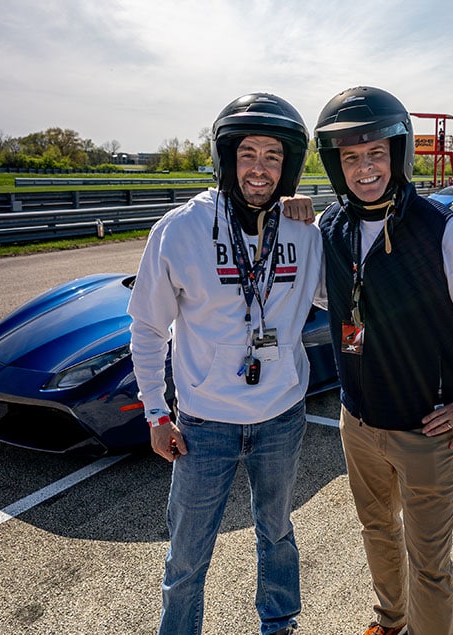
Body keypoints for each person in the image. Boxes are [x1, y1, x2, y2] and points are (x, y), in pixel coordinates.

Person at [314, 86, 453, 635]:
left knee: (429, 564)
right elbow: (320, 298)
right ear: (336, 164)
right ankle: (390, 619)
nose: (364, 169)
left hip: (425, 430)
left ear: (397, 155)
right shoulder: (330, 230)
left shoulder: (441, 231)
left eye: (375, 153)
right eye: (350, 157)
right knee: (377, 533)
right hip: (358, 423)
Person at [127, 92, 321, 635]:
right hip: (205, 423)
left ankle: (279, 624)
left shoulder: (303, 230)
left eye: (274, 157)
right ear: (227, 157)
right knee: (187, 555)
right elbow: (147, 327)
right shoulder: (180, 229)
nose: (260, 169)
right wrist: (155, 414)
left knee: (277, 533)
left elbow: (347, 293)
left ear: (289, 167)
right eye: (249, 154)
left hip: (281, 415)